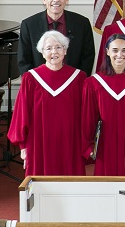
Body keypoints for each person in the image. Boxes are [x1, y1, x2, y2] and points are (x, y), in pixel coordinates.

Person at [8, 30, 86, 175]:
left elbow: (86, 114)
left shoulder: (78, 78)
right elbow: (22, 113)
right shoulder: (31, 79)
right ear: (42, 53)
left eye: (58, 47)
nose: (54, 52)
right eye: (48, 48)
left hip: (70, 141)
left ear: (65, 50)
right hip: (39, 141)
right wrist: (23, 146)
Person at [82, 34, 125, 176]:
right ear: (107, 51)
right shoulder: (93, 83)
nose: (119, 54)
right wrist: (89, 147)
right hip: (105, 145)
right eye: (115, 50)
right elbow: (87, 119)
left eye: (124, 50)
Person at [18, 0, 95, 75]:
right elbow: (23, 60)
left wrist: (78, 80)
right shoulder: (29, 25)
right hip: (40, 84)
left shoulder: (82, 24)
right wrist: (35, 82)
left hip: (73, 83)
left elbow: (88, 57)